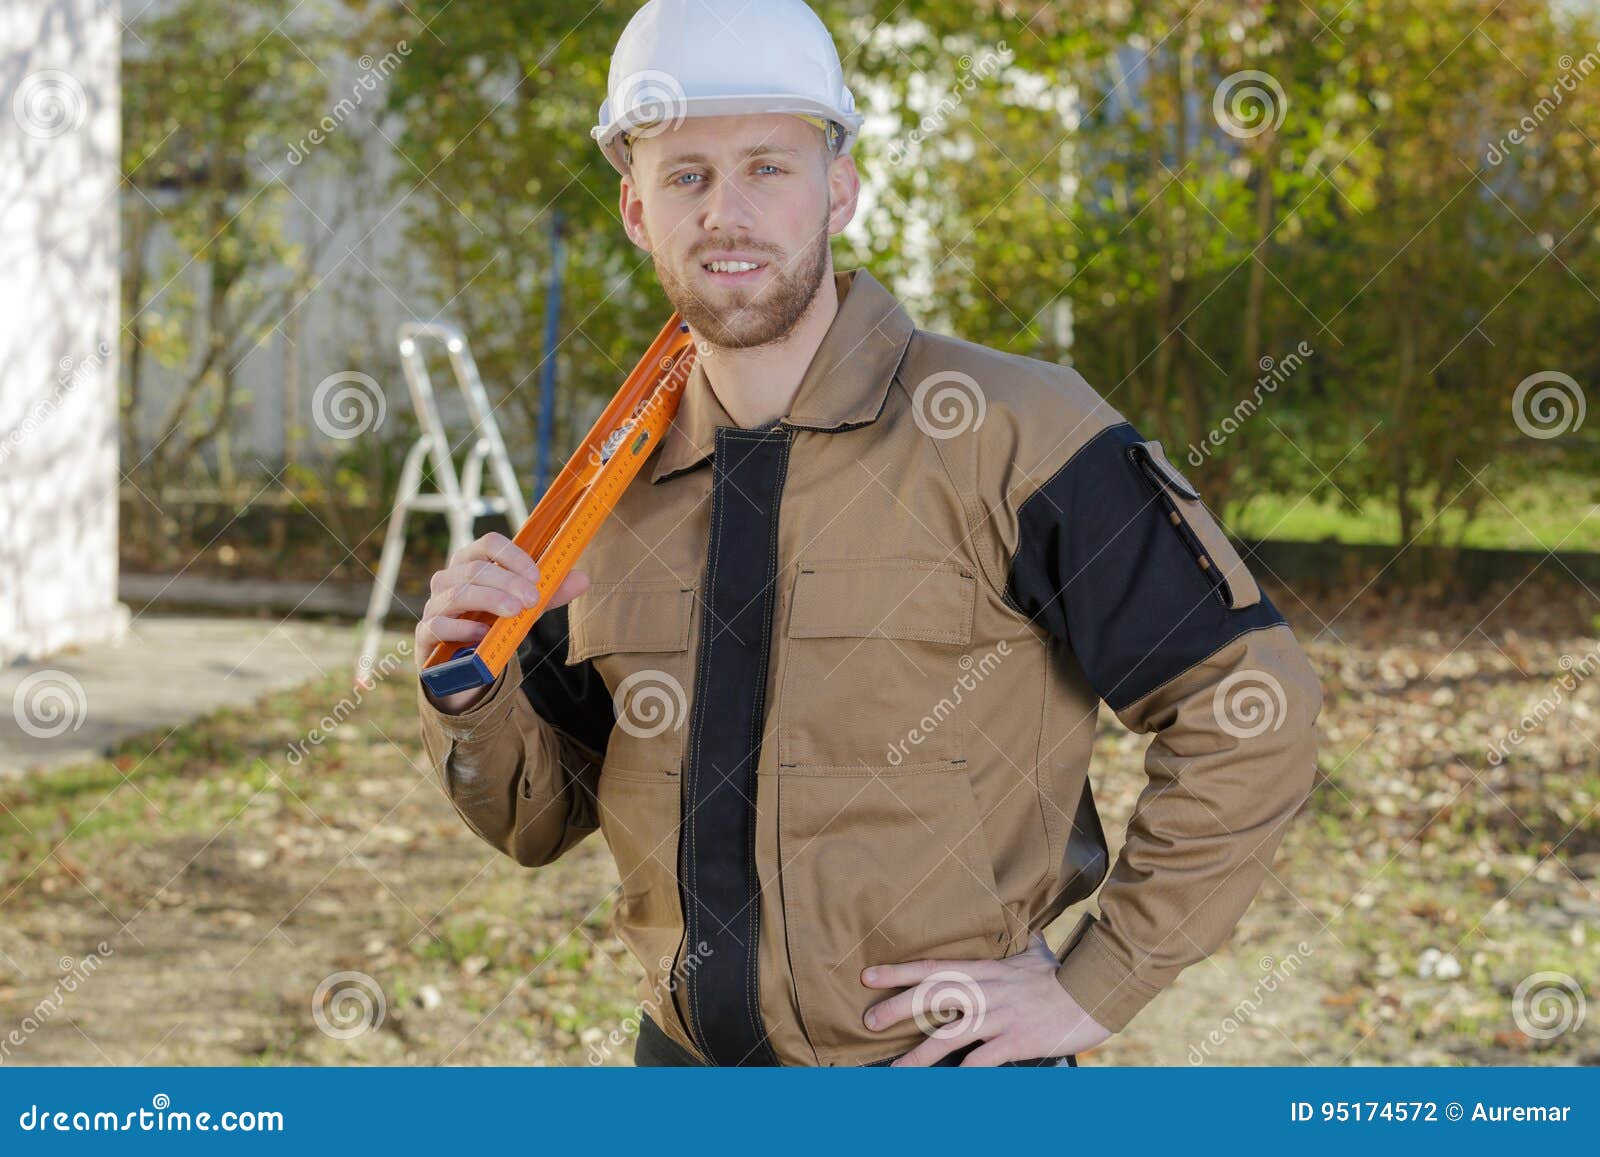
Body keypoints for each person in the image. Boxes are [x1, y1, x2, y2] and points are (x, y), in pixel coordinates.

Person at [415, 0, 1322, 1068]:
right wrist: (470, 692)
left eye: (767, 166)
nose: (725, 212)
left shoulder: (1011, 430)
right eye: (687, 175)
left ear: (838, 190)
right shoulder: (613, 487)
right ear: (634, 208)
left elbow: (1249, 704)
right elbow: (537, 818)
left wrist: (1096, 982)